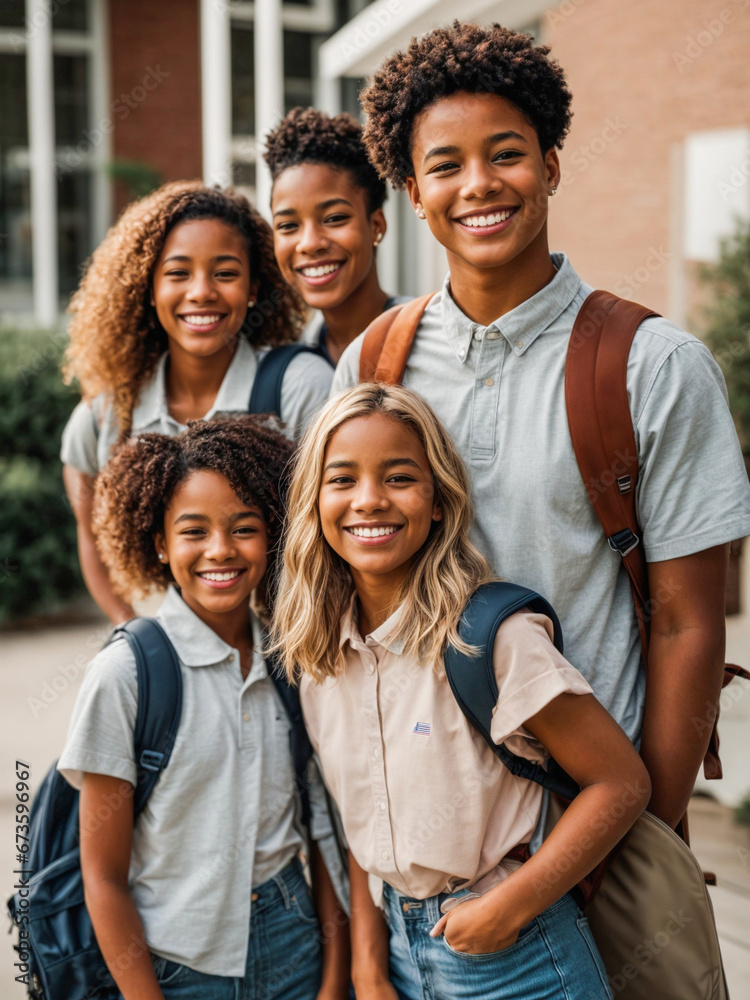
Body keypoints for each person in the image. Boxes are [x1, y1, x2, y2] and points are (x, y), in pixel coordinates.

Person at [332, 22, 750, 830]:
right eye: (445, 166)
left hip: (588, 826)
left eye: (507, 153)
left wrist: (645, 839)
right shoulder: (372, 366)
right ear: (414, 195)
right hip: (425, 839)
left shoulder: (655, 366)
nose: (479, 183)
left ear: (552, 166)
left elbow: (689, 625)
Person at [271, 383, 649, 1000]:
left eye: (398, 477)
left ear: (439, 500)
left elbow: (621, 783)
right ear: (313, 502)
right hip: (398, 950)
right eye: (341, 479)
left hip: (516, 956)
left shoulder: (492, 639)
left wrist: (509, 909)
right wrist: (369, 966)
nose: (369, 500)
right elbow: (361, 827)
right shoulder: (318, 655)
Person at [57, 415, 349, 1000]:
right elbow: (104, 877)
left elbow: (319, 833)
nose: (220, 550)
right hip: (172, 965)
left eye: (244, 528)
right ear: (160, 543)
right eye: (194, 531)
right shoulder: (126, 675)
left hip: (295, 954)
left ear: (272, 536)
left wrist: (333, 977)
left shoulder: (293, 661)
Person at [61, 181, 333, 623]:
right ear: (148, 288)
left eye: (224, 273)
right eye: (178, 273)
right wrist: (138, 640)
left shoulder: (300, 387)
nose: (201, 291)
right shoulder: (107, 414)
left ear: (253, 288)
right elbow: (92, 537)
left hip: (282, 665)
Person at [265, 107, 409, 366]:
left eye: (334, 219)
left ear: (376, 225)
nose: (309, 243)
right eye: (288, 225)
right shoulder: (290, 365)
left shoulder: (427, 337)